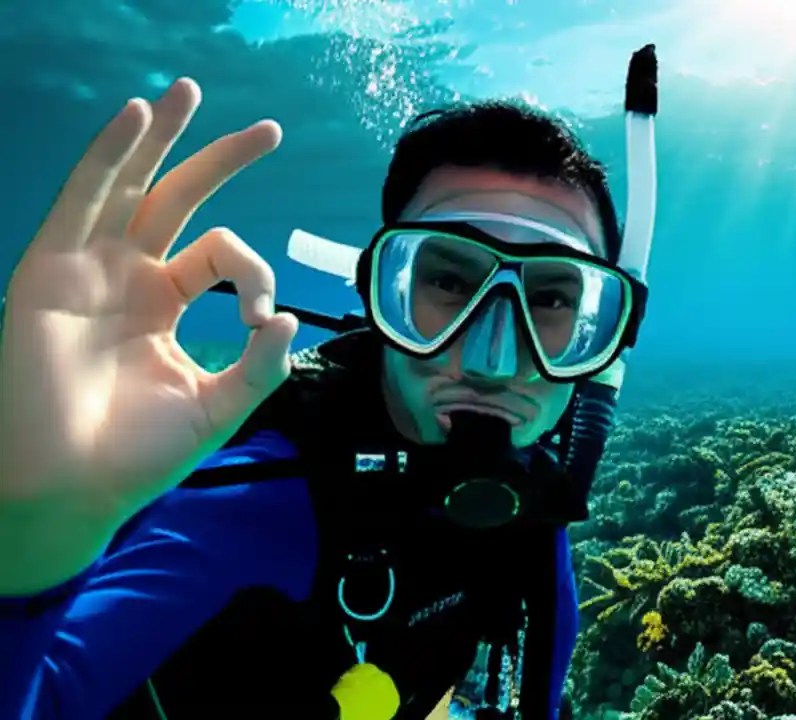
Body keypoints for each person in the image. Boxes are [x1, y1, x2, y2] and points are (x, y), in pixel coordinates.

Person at [0, 43, 660, 720]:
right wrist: (36, 539)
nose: (493, 363)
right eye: (446, 281)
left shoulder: (533, 493)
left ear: (599, 338)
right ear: (382, 297)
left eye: (551, 301)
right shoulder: (266, 498)